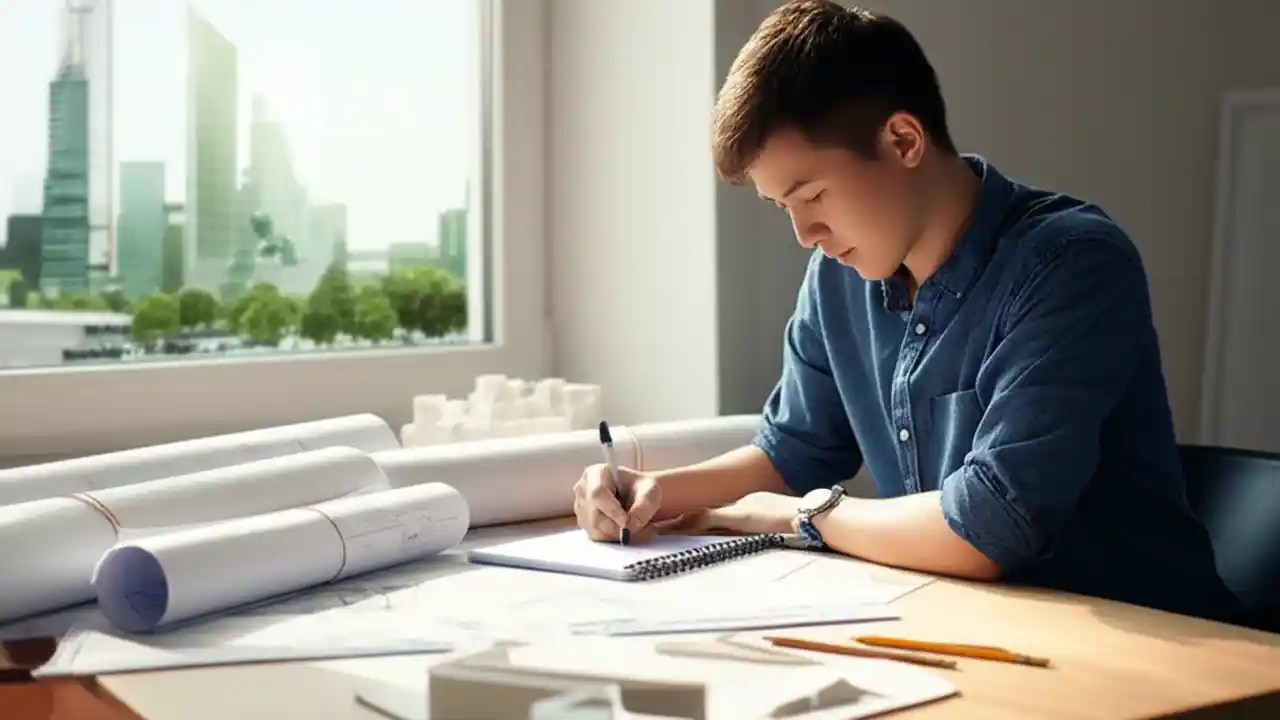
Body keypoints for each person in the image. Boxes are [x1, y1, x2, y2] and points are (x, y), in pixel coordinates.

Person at [572, 0, 1240, 621]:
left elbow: (989, 527)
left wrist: (793, 517)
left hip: (1146, 641)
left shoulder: (1072, 264)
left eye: (814, 196)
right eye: (784, 208)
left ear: (902, 140)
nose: (806, 234)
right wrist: (657, 491)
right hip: (975, 626)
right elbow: (795, 449)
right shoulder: (839, 278)